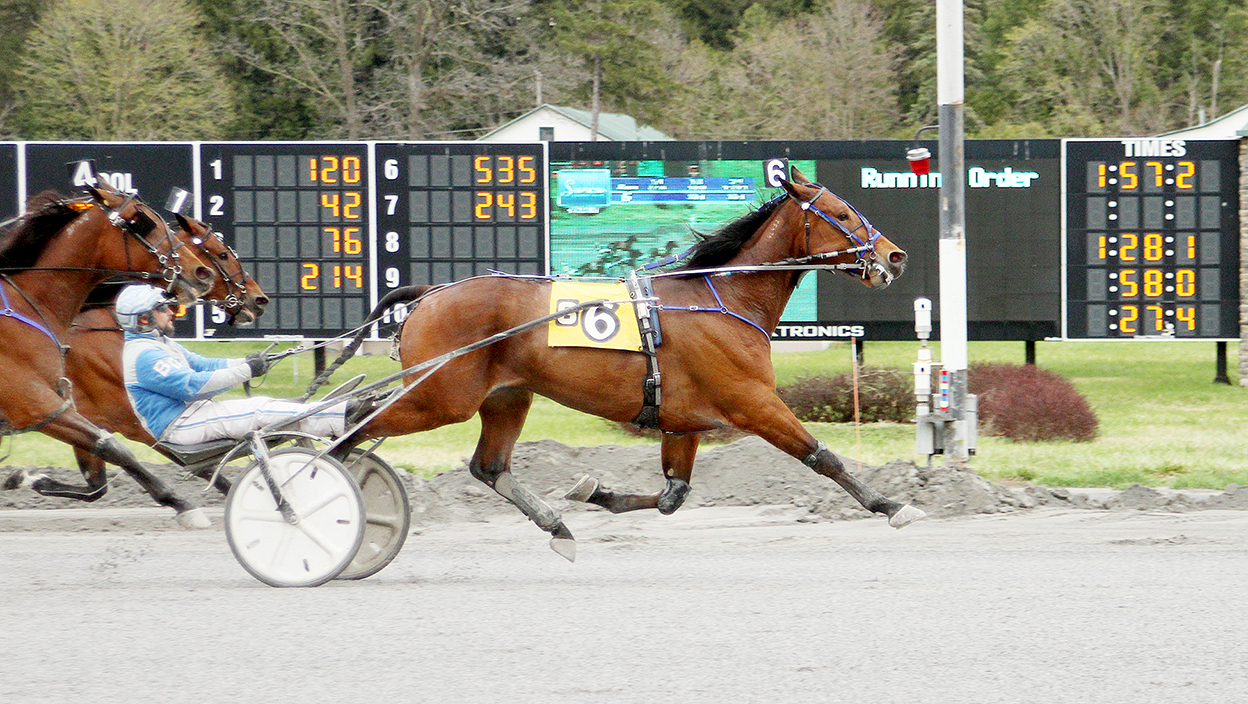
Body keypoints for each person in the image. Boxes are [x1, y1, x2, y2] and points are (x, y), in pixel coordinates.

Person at [116, 283, 360, 446]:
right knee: (259, 410)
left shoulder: (160, 343)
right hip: (179, 425)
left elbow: (204, 365)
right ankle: (341, 415)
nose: (172, 312)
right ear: (144, 319)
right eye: (163, 308)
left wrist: (245, 362)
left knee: (264, 406)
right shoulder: (144, 355)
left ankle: (333, 415)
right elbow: (192, 387)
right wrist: (246, 371)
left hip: (192, 414)